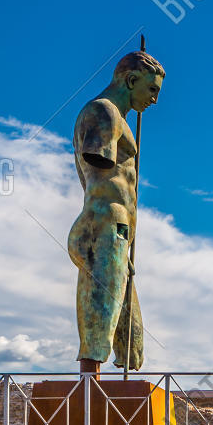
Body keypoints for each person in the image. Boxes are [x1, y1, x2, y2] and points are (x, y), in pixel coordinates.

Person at [66, 50, 164, 374]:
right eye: (152, 89)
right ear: (131, 80)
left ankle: (119, 388)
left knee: (130, 331)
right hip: (104, 224)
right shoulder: (103, 112)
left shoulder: (119, 120)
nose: (154, 100)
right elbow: (97, 176)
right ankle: (88, 387)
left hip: (119, 232)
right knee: (100, 311)